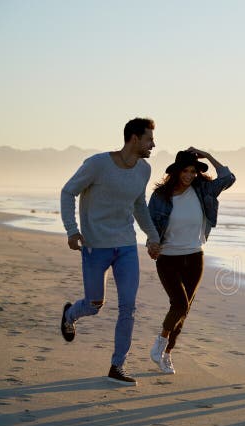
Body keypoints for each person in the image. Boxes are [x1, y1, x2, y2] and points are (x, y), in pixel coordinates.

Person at [59, 117, 161, 386]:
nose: (153, 144)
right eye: (149, 139)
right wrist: (72, 230)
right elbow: (68, 192)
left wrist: (152, 236)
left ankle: (118, 366)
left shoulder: (144, 169)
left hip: (126, 245)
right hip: (95, 245)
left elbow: (140, 205)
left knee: (128, 307)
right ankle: (70, 315)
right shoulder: (98, 164)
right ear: (134, 139)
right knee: (94, 305)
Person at [147, 148, 236, 374]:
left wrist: (206, 154)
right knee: (180, 304)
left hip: (195, 257)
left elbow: (228, 178)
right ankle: (160, 342)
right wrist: (151, 243)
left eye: (193, 171)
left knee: (183, 309)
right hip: (168, 258)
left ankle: (166, 354)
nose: (189, 175)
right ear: (176, 172)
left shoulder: (203, 190)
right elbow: (149, 224)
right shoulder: (160, 196)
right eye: (185, 171)